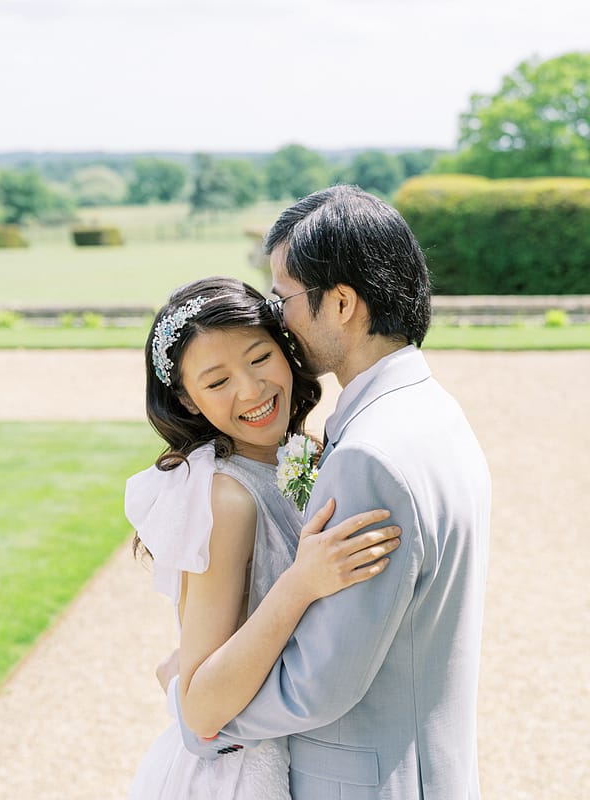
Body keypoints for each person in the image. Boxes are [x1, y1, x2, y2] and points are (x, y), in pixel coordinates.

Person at [173, 186, 492, 799]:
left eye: (283, 296)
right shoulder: (434, 411)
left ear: (341, 302)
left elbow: (319, 684)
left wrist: (197, 712)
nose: (276, 315)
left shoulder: (369, 454)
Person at [125, 276, 402, 799]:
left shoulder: (305, 452)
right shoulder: (226, 498)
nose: (251, 391)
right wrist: (301, 583)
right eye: (217, 381)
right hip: (236, 777)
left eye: (259, 358)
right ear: (186, 400)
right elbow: (202, 707)